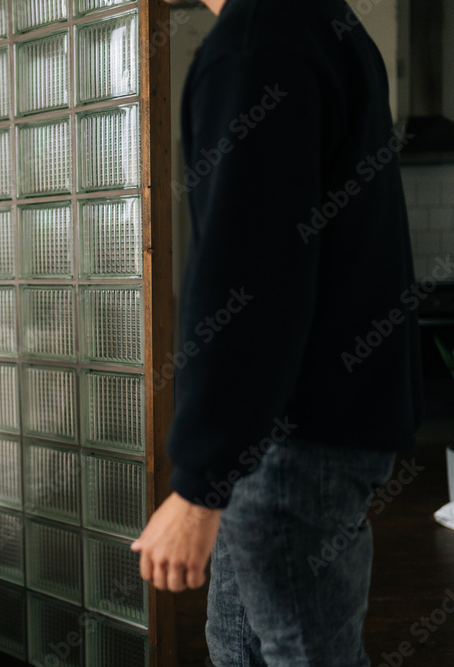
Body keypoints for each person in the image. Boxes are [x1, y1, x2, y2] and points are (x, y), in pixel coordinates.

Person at [131, 0, 424, 664]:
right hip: (297, 434)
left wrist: (198, 486)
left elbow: (248, 280)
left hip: (291, 443)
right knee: (238, 648)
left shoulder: (257, 43)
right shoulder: (316, 21)